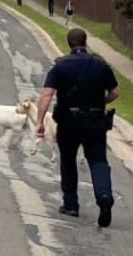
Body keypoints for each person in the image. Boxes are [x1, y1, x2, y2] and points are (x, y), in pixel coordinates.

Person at [34, 27, 121, 226]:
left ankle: (71, 204)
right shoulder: (100, 65)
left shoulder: (60, 66)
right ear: (86, 41)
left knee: (68, 160)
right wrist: (101, 102)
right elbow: (115, 92)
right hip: (95, 121)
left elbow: (47, 94)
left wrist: (39, 122)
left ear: (69, 43)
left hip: (68, 121)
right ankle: (104, 196)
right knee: (98, 159)